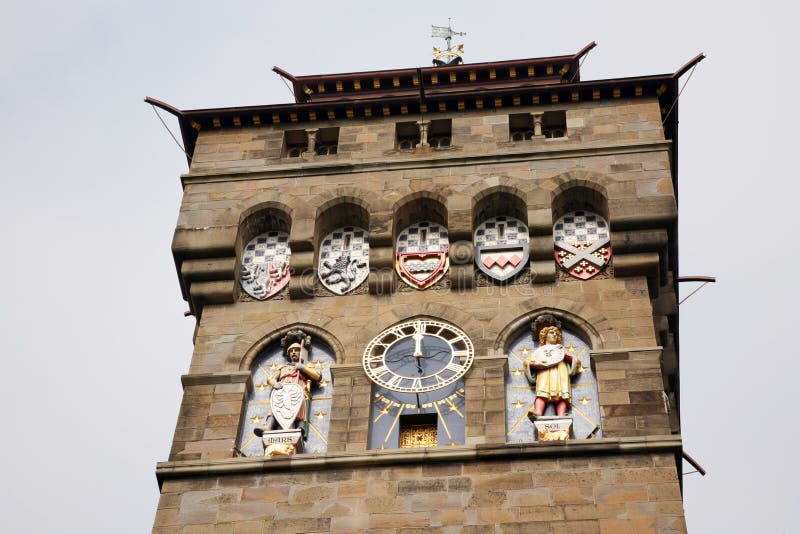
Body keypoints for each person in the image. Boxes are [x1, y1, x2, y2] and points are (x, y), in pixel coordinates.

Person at [257, 331, 322, 439]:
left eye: (296, 350)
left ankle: (300, 426)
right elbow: (271, 378)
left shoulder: (305, 366)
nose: (293, 353)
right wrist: (275, 383)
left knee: (300, 405)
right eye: (291, 351)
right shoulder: (283, 367)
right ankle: (268, 426)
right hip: (282, 390)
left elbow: (317, 376)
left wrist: (303, 368)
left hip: (298, 390)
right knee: (275, 408)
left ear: (301, 353)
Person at [525, 321, 582, 418]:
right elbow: (527, 362)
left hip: (560, 371)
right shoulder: (539, 351)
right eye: (551, 333)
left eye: (556, 333)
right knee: (542, 392)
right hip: (544, 372)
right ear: (545, 336)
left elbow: (576, 362)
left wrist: (564, 354)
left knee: (562, 393)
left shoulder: (562, 349)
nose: (554, 334)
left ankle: (562, 414)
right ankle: (538, 412)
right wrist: (535, 364)